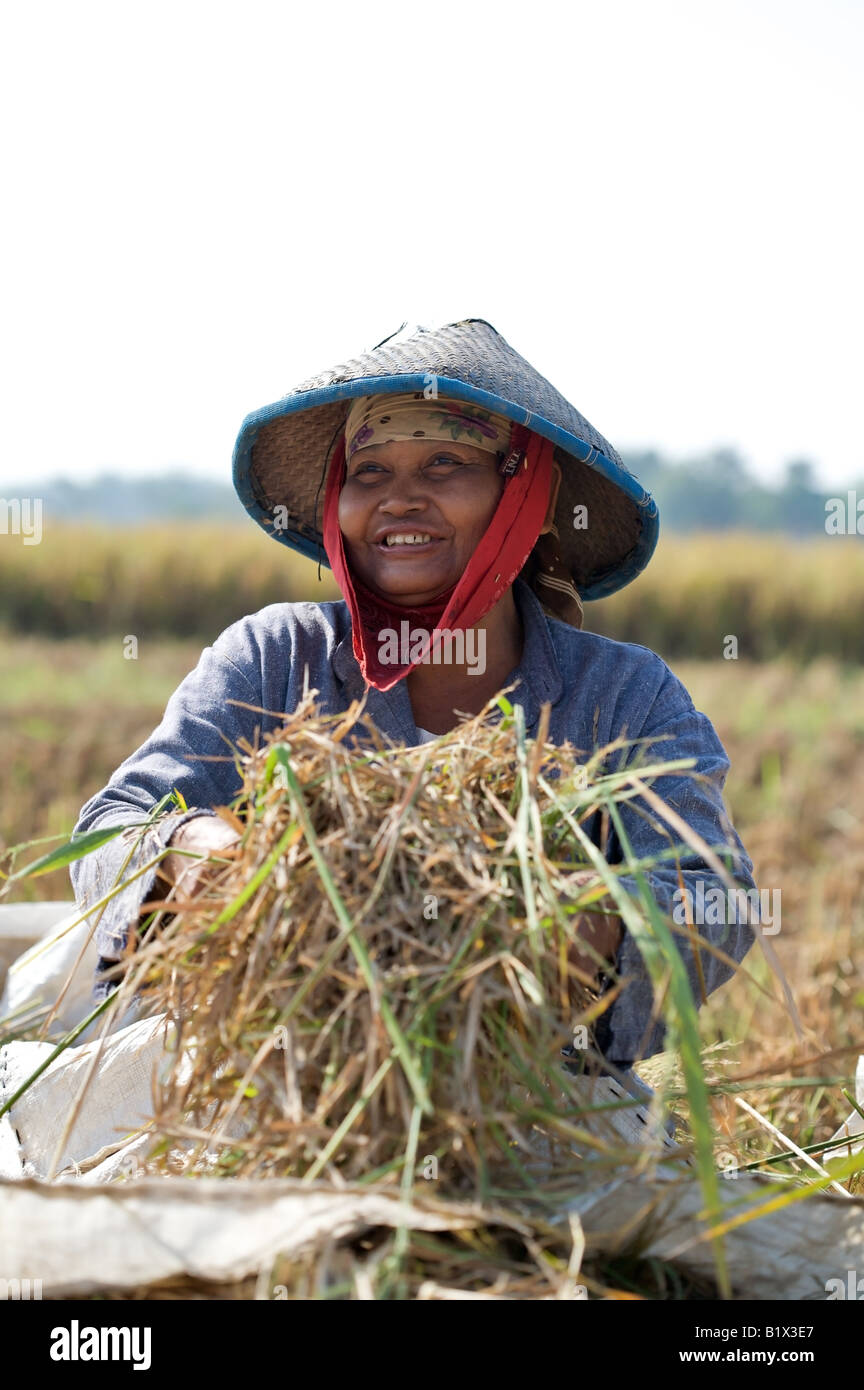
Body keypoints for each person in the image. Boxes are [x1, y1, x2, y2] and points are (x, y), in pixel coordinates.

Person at [70, 318, 756, 1070]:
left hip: (534, 1092)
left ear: (520, 495)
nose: (401, 500)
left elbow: (716, 900)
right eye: (370, 473)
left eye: (443, 463)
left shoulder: (621, 695)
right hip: (275, 1082)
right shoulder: (275, 660)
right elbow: (110, 829)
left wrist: (549, 927)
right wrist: (198, 852)